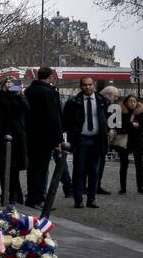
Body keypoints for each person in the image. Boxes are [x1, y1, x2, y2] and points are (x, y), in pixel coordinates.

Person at [62, 76, 109, 208]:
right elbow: (65, 121)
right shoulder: (73, 102)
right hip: (81, 140)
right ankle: (78, 199)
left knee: (94, 172)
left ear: (93, 85)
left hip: (96, 140)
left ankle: (92, 199)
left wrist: (109, 130)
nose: (87, 87)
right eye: (84, 85)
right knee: (79, 171)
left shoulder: (102, 101)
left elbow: (110, 119)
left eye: (89, 85)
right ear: (80, 86)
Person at [23, 67, 64, 207]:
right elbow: (53, 117)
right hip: (44, 136)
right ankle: (36, 198)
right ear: (50, 76)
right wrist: (58, 139)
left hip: (31, 134)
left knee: (33, 168)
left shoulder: (29, 90)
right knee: (41, 169)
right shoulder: (48, 92)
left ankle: (33, 195)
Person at [0, 76, 29, 206]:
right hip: (2, 133)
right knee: (3, 166)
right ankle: (6, 194)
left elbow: (26, 108)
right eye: (8, 83)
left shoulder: (20, 97)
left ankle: (14, 196)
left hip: (17, 134)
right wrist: (4, 91)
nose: (11, 85)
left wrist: (19, 93)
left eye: (14, 83)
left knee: (15, 167)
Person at [117, 95, 143, 194]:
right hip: (125, 140)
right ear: (126, 102)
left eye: (134, 101)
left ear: (137, 103)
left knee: (139, 165)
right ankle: (123, 188)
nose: (132, 103)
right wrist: (132, 125)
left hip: (137, 140)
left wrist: (132, 127)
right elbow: (119, 127)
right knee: (123, 165)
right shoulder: (121, 112)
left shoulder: (140, 112)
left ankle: (140, 187)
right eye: (130, 101)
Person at [97, 85, 120, 195]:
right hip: (97, 138)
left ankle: (96, 185)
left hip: (102, 139)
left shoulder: (107, 105)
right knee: (96, 163)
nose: (116, 99)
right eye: (115, 96)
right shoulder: (101, 104)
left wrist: (111, 128)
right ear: (108, 95)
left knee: (100, 163)